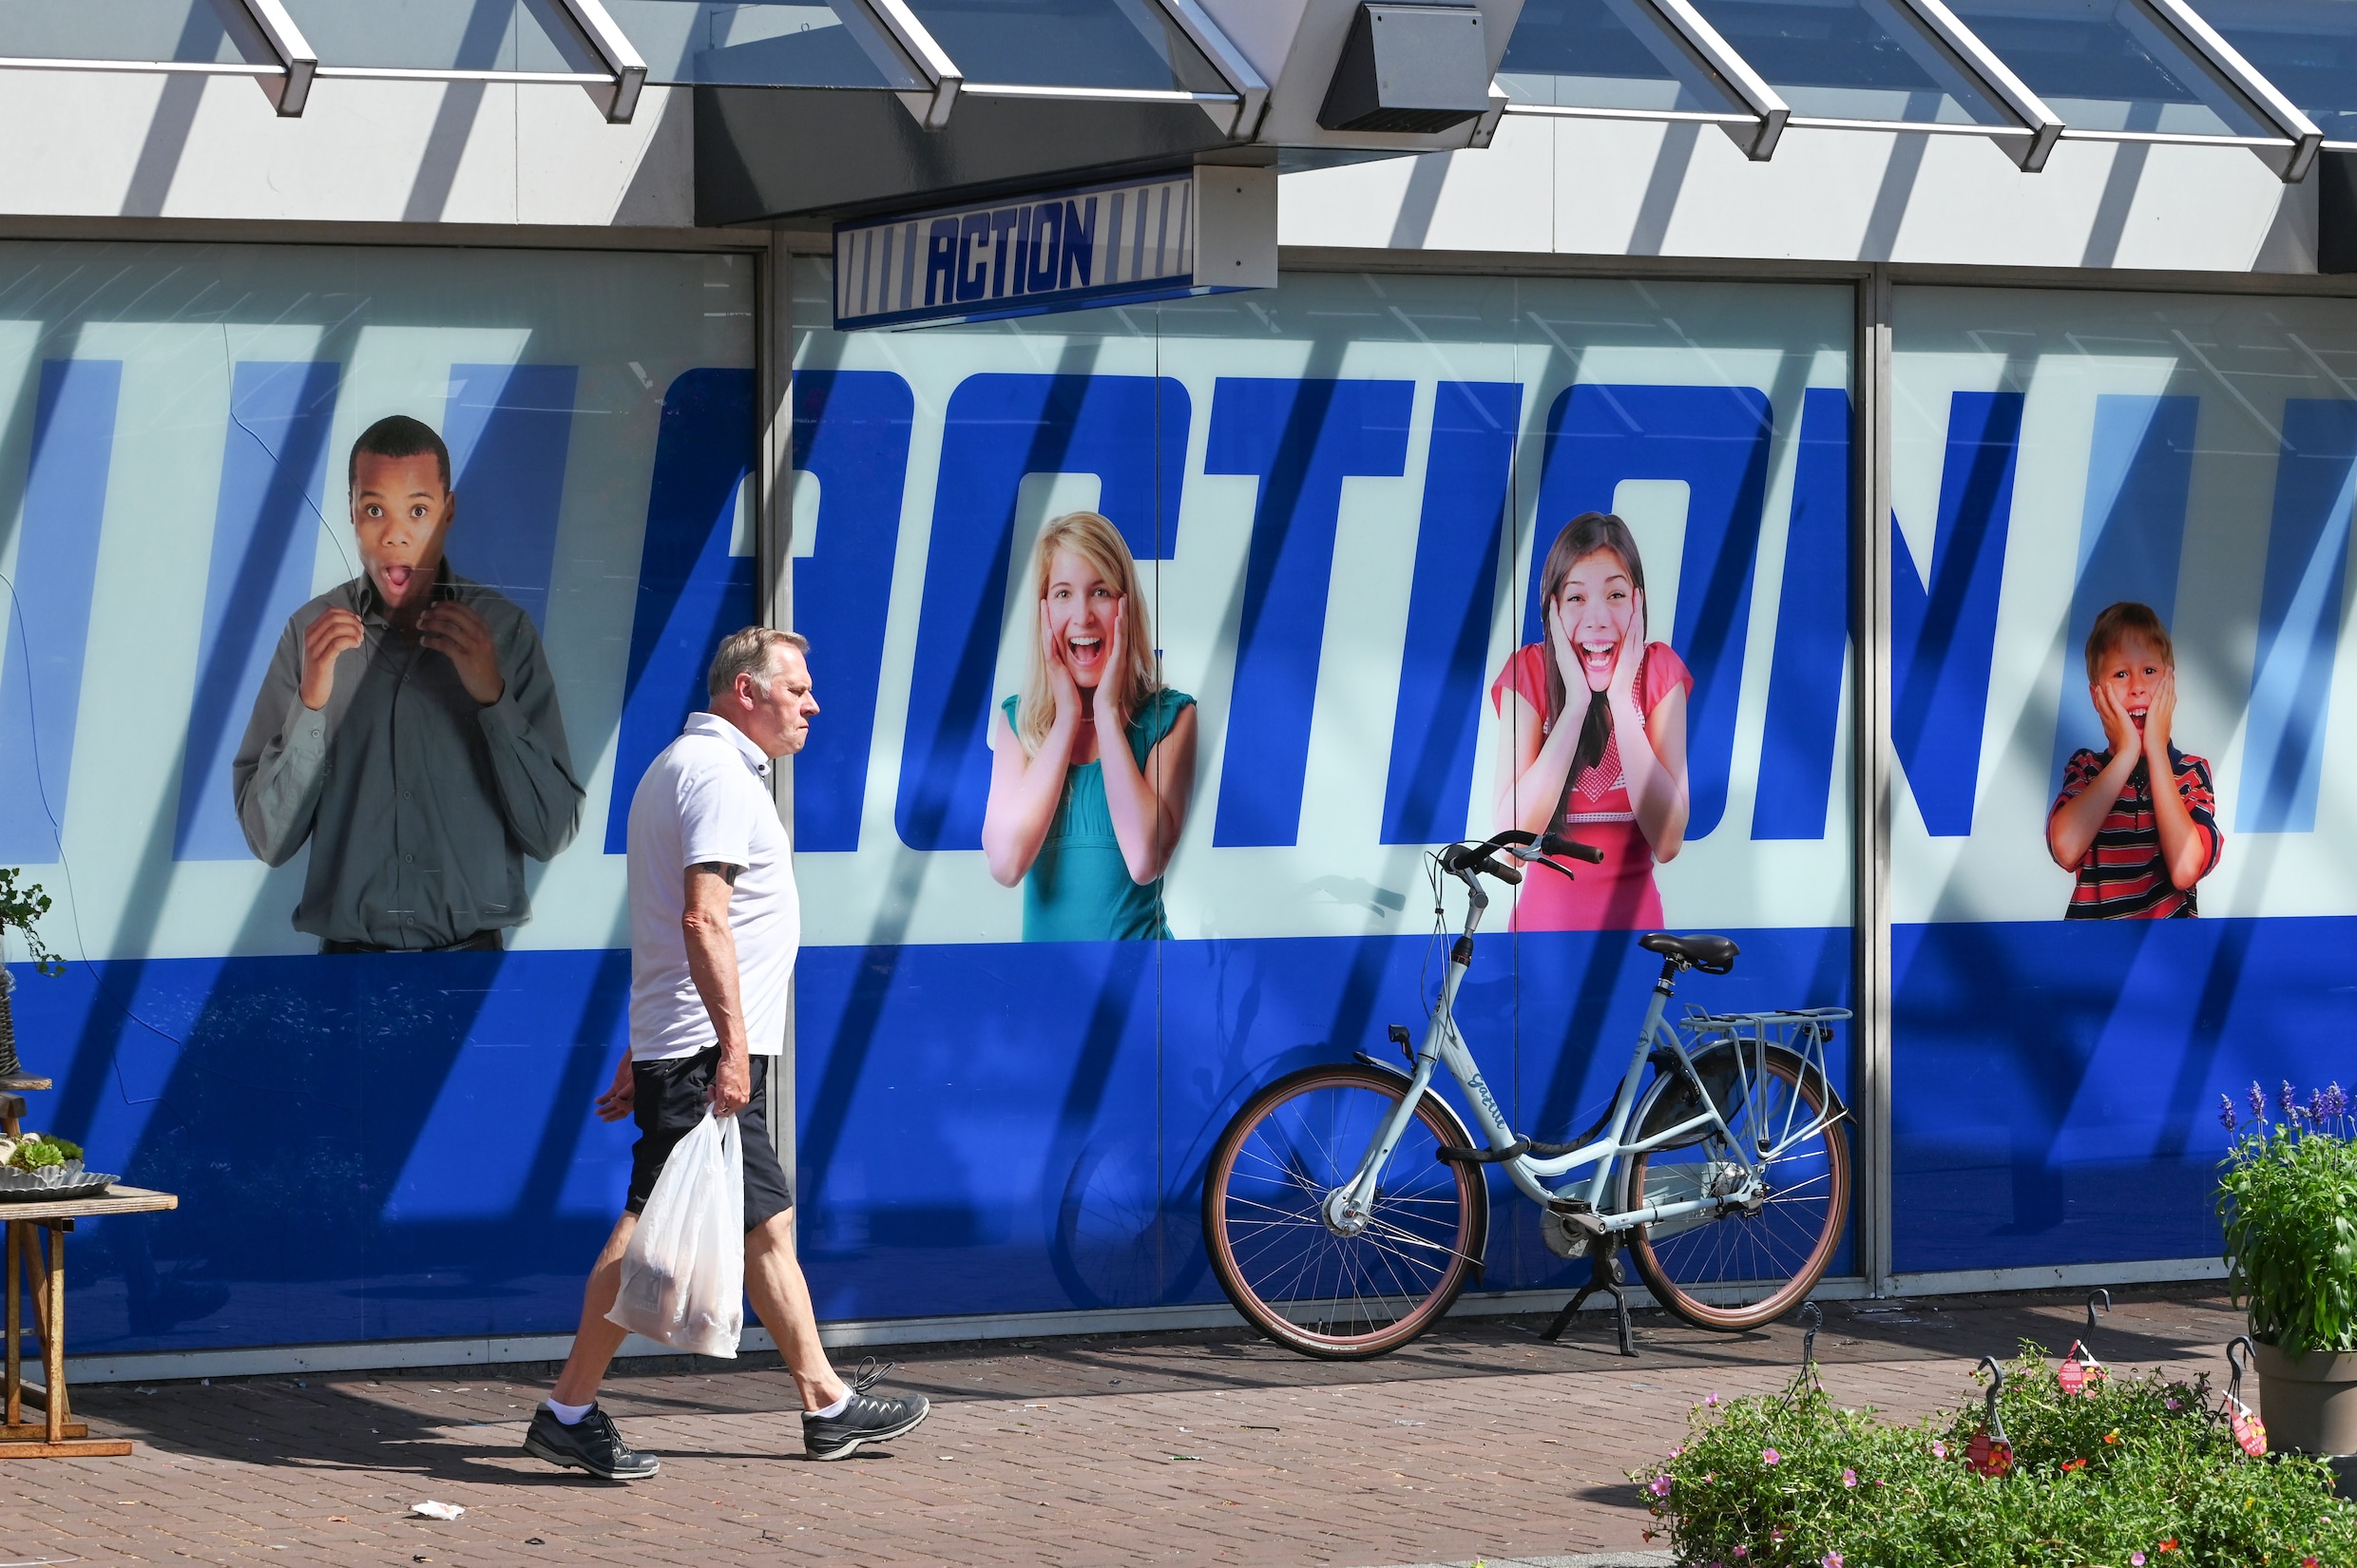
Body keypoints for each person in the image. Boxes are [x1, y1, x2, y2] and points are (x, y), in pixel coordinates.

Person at [527, 627, 929, 1480]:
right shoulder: (715, 775)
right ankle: (570, 1409)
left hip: (688, 1044)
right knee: (651, 1237)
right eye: (798, 689)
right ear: (745, 692)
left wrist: (646, 1049)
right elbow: (701, 919)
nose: (814, 705)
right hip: (707, 1051)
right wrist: (730, 1049)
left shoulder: (687, 768)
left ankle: (825, 1404)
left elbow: (674, 929)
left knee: (760, 1226)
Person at [231, 414, 582, 951]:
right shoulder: (309, 634)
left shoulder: (504, 633)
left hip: (471, 971)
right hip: (347, 978)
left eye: (418, 510)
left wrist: (493, 697)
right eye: (376, 510)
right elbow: (267, 840)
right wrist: (312, 704)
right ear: (352, 512)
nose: (396, 533)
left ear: (449, 512)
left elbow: (552, 832)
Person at [982, 510, 1198, 941]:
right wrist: (1064, 721)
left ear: (1125, 605)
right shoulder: (1018, 723)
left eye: (1100, 591)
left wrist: (1105, 713)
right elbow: (1005, 866)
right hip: (1046, 995)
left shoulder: (1171, 717)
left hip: (1142, 994)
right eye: (1063, 594)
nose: (1082, 616)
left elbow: (1143, 860)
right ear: (1043, 612)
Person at [1489, 510, 1691, 930]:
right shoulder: (1528, 673)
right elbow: (1512, 842)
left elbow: (1668, 840)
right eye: (1577, 597)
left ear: (1636, 601)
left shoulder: (1659, 671)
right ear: (1554, 609)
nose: (1598, 618)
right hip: (1537, 945)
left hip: (1636, 948)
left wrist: (1619, 697)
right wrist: (1577, 702)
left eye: (1615, 596)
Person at [2046, 601, 2221, 918]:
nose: (2138, 688)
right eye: (2121, 673)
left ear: (2170, 683)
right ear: (2097, 695)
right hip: (2095, 960)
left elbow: (2185, 869)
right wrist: (2126, 753)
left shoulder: (2191, 772)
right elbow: (2066, 849)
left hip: (2168, 960)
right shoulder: (2086, 769)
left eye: (2150, 671)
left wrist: (2155, 749)